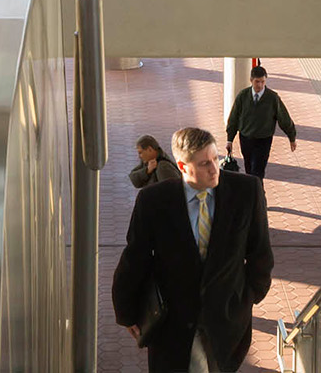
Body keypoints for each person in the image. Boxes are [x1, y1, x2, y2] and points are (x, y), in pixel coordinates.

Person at [113, 126, 274, 372]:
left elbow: (259, 252)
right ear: (182, 166)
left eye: (215, 159)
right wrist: (126, 311)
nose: (213, 169)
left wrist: (248, 297)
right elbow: (136, 258)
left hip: (226, 317)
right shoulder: (153, 201)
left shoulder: (247, 191)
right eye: (203, 164)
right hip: (175, 320)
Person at [223, 64, 297, 179]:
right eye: (257, 82)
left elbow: (284, 119)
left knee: (257, 171)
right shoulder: (243, 96)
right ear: (251, 80)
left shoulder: (272, 98)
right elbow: (234, 118)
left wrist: (291, 137)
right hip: (246, 139)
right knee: (249, 168)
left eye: (263, 82)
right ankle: (254, 193)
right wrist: (230, 139)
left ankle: (257, 194)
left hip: (264, 140)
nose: (260, 85)